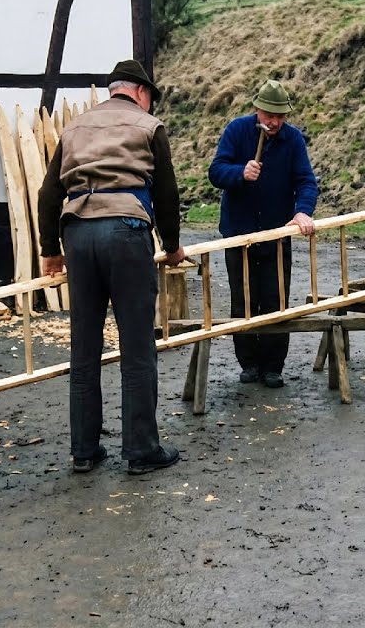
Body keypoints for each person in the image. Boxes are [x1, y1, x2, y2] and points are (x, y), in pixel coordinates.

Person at [37, 59, 186, 474]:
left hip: (78, 233)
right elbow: (167, 192)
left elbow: (49, 193)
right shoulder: (148, 126)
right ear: (140, 92)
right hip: (125, 229)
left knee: (84, 345)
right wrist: (172, 247)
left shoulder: (74, 129)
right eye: (149, 98)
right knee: (136, 344)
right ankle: (140, 451)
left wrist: (51, 249)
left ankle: (84, 450)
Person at [208, 79, 318, 389]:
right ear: (257, 110)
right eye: (269, 115)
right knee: (243, 299)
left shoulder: (293, 139)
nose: (274, 122)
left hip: (275, 233)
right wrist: (239, 173)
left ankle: (273, 366)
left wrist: (302, 211)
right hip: (238, 234)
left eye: (280, 116)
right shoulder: (237, 131)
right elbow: (216, 172)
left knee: (276, 299)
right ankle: (249, 363)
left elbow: (306, 181)